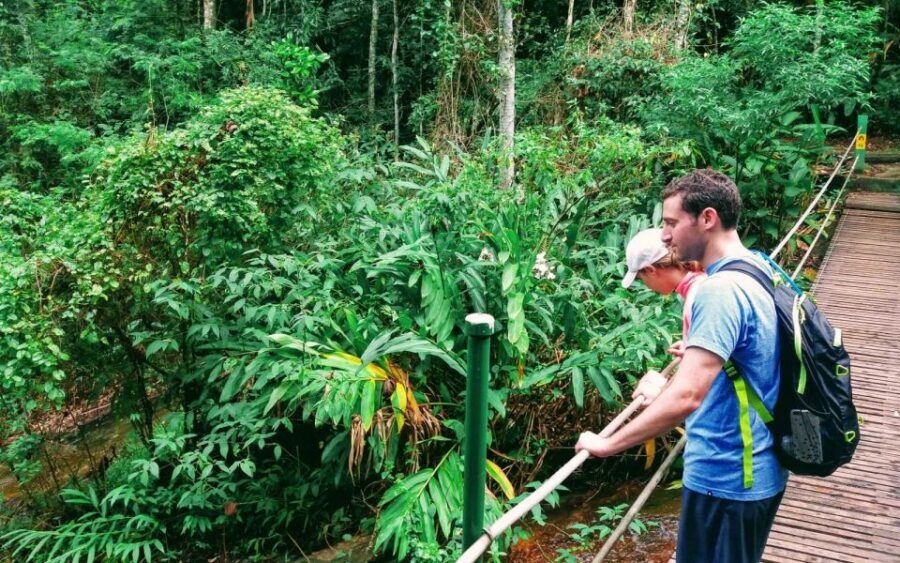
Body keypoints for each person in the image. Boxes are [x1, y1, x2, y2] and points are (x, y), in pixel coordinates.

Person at [577, 169, 786, 563]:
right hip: (754, 468)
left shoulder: (719, 292)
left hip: (728, 478)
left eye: (671, 223)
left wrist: (607, 444)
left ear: (707, 219)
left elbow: (687, 396)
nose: (666, 237)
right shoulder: (756, 265)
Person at [620, 227, 706, 394]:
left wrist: (660, 394)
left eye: (640, 277)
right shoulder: (706, 277)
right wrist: (693, 346)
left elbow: (695, 385)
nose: (645, 284)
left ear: (651, 270)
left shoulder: (698, 294)